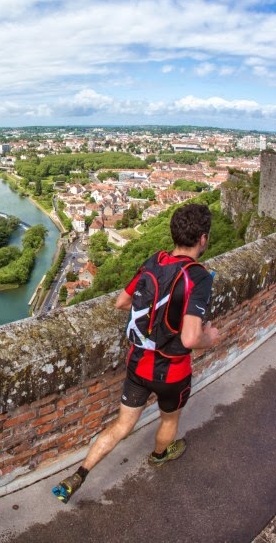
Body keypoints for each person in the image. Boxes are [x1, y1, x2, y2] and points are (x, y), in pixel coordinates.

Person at [52, 203, 220, 504]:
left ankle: (79, 474)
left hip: (139, 363)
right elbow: (191, 336)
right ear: (203, 239)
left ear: (173, 234)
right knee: (169, 420)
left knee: (122, 425)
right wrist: (211, 338)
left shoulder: (154, 261)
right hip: (173, 371)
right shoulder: (200, 277)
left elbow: (121, 302)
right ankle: (159, 455)